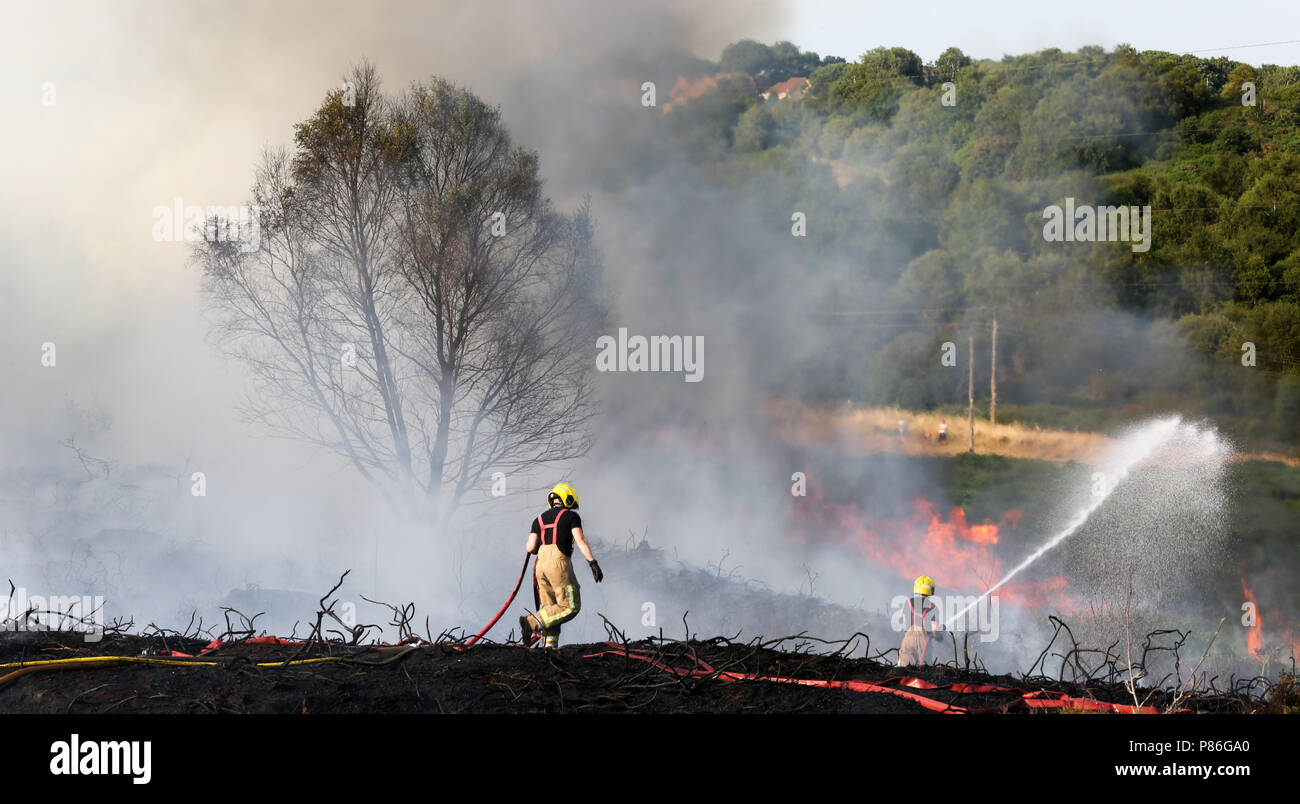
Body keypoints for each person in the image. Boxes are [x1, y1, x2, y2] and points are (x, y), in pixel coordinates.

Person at [519, 483, 602, 649]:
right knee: (570, 606)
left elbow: (530, 548)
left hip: (540, 565)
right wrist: (593, 563)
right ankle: (530, 623)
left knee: (551, 609)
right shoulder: (571, 517)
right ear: (568, 498)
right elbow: (580, 540)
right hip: (558, 563)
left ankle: (549, 649)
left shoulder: (539, 519)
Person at [897, 575, 945, 667]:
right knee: (924, 670)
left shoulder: (908, 602)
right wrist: (939, 637)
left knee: (904, 668)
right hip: (924, 640)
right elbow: (935, 631)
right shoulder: (932, 607)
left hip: (908, 638)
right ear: (930, 590)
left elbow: (905, 623)